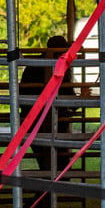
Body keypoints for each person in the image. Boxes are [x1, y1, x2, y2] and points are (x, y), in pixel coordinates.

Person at [17, 35, 75, 172]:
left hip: (31, 119)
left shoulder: (33, 65)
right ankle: (54, 188)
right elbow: (70, 100)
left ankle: (46, 189)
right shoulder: (60, 66)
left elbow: (21, 94)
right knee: (60, 160)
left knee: (44, 158)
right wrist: (82, 96)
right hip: (55, 121)